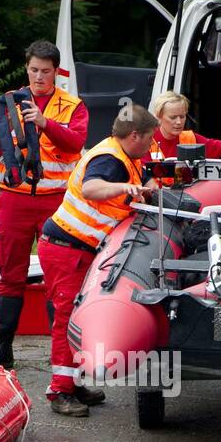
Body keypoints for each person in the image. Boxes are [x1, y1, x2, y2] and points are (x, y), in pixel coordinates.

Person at [38, 104, 159, 417]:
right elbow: (93, 188)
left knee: (76, 316)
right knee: (66, 319)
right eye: (148, 139)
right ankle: (59, 391)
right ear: (135, 135)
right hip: (67, 248)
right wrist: (123, 188)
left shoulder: (124, 156)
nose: (150, 145)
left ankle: (74, 383)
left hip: (77, 249)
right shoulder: (109, 161)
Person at [0, 40, 88, 367]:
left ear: (57, 72)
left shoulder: (72, 106)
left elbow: (76, 143)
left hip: (58, 203)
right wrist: (5, 126)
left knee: (59, 279)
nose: (39, 77)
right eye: (34, 70)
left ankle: (63, 356)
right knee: (11, 274)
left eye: (46, 71)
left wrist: (43, 122)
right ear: (27, 69)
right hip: (14, 200)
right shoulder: (6, 103)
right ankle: (1, 350)